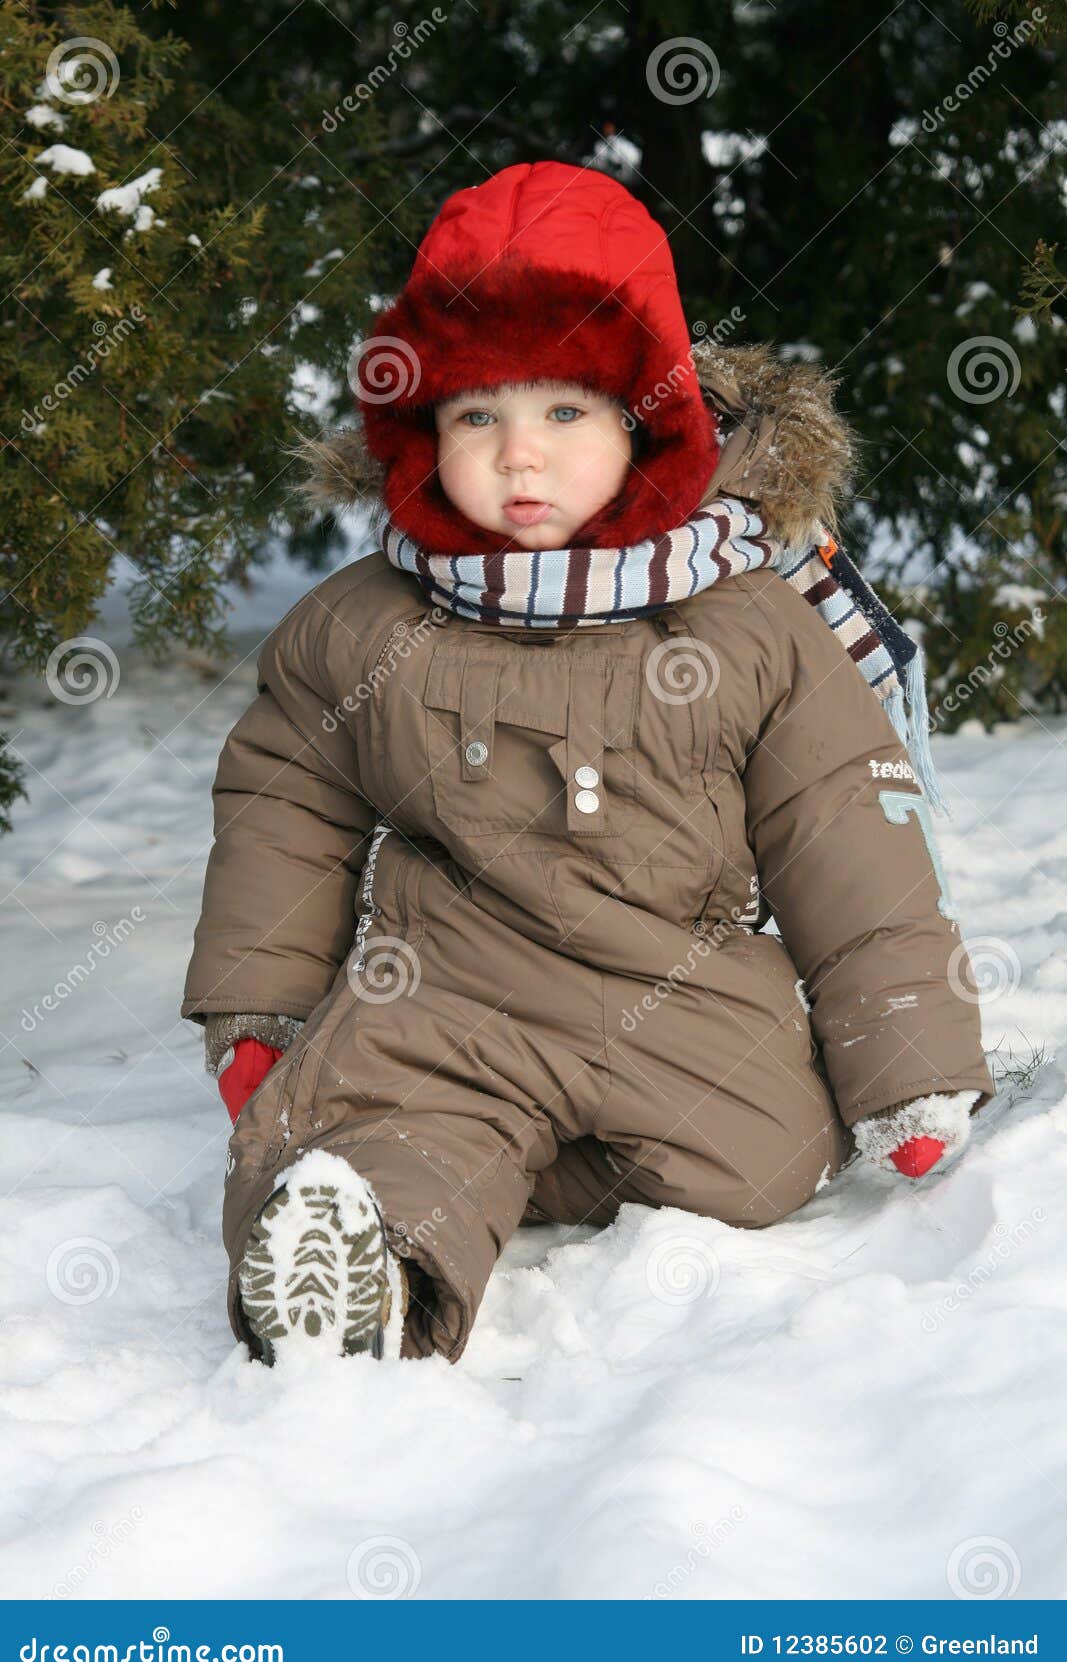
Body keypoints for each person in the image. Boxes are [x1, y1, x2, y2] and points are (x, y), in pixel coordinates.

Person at [181, 160, 995, 1366]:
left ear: (645, 421)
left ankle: (513, 1152)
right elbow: (282, 809)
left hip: (678, 978)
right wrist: (258, 1008)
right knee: (360, 1127)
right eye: (476, 417)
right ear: (421, 434)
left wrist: (905, 1063)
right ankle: (368, 1279)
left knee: (771, 1149)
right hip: (446, 991)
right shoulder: (364, 625)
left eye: (563, 413)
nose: (520, 459)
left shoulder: (748, 619)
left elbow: (844, 832)